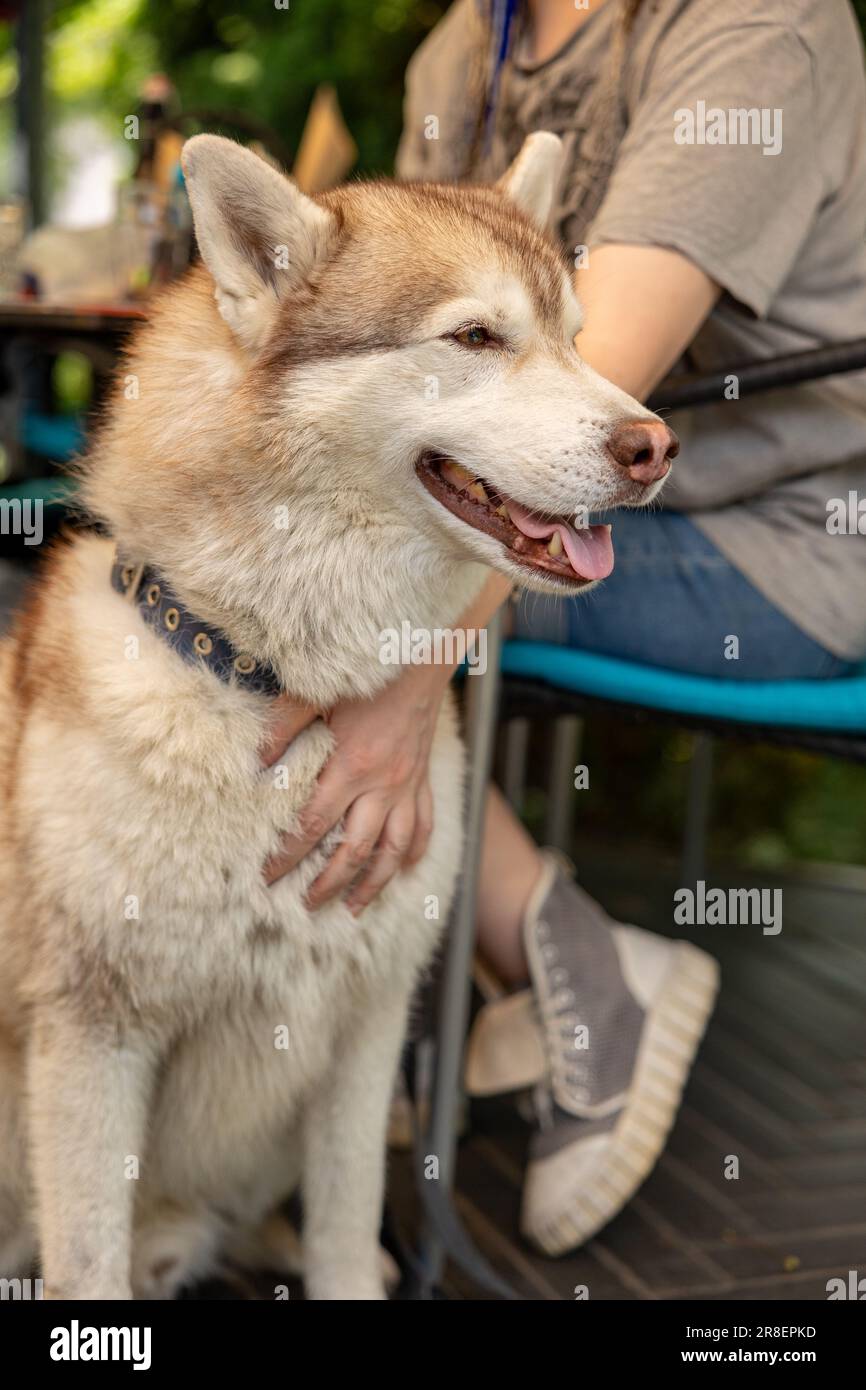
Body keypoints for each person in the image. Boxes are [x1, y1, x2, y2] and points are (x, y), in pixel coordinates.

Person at [261, 0, 866, 1253]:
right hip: (570, 513)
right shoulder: (454, 49)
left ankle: (566, 962)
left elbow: (612, 378)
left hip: (785, 542)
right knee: (243, 595)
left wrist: (408, 668)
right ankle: (352, 1029)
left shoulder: (761, 23)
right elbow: (419, 370)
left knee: (296, 629)